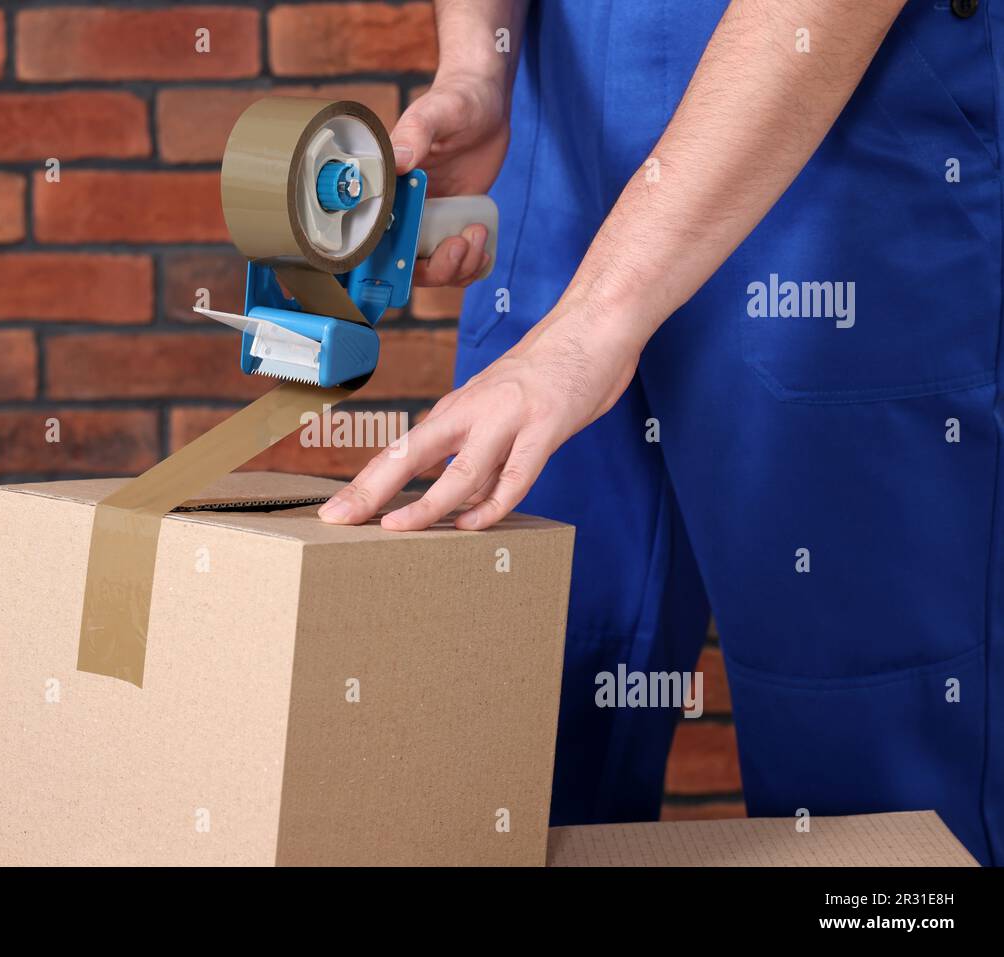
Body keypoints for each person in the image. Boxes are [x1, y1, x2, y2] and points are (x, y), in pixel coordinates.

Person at [318, 0, 1002, 865]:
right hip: (562, 132)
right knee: (521, 720)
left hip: (838, 125)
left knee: (870, 791)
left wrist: (593, 323)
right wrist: (477, 68)